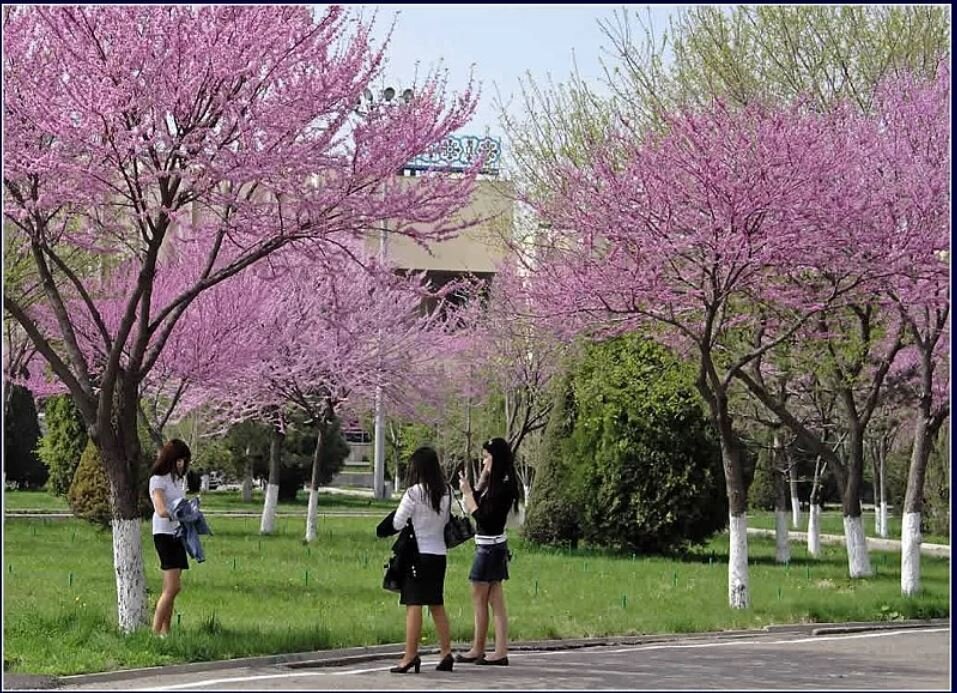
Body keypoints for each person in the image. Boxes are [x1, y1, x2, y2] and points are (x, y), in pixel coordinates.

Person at [389, 446, 454, 674]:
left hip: (417, 555)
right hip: (439, 555)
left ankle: (410, 655)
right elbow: (446, 521)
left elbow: (397, 522)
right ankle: (446, 652)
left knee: (413, 604)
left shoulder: (414, 493)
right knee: (437, 604)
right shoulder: (447, 492)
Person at [456, 437, 519, 666]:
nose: (483, 462)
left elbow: (483, 516)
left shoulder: (502, 487)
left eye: (486, 457)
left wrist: (468, 495)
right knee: (495, 599)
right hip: (493, 546)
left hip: (489, 547)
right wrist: (475, 485)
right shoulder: (496, 483)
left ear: (497, 458)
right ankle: (497, 650)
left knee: (479, 597)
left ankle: (479, 648)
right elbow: (481, 500)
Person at [148, 439, 192, 636]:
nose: (181, 464)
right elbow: (160, 509)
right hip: (164, 534)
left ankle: (166, 632)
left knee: (170, 588)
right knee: (173, 587)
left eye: (184, 460)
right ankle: (155, 632)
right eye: (179, 460)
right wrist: (176, 512)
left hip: (177, 533)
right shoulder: (158, 480)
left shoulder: (177, 481)